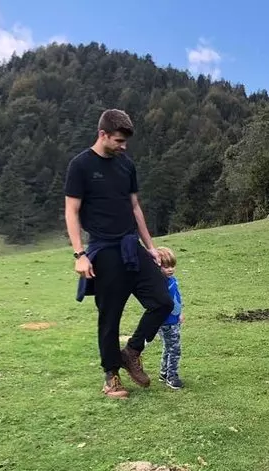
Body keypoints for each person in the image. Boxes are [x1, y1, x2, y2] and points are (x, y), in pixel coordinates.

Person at [64, 109, 173, 399]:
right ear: (102, 134)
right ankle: (111, 377)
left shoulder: (126, 164)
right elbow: (71, 211)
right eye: (118, 140)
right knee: (109, 317)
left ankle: (132, 351)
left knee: (162, 301)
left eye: (125, 141)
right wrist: (79, 254)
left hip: (131, 246)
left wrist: (150, 247)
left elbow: (135, 207)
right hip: (104, 250)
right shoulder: (81, 165)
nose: (123, 146)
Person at [156, 247, 184, 390]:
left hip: (174, 320)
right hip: (166, 322)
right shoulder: (159, 284)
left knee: (169, 347)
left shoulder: (173, 280)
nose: (170, 269)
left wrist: (180, 312)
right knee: (174, 349)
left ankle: (164, 372)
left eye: (172, 266)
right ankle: (171, 376)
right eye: (166, 267)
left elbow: (177, 296)